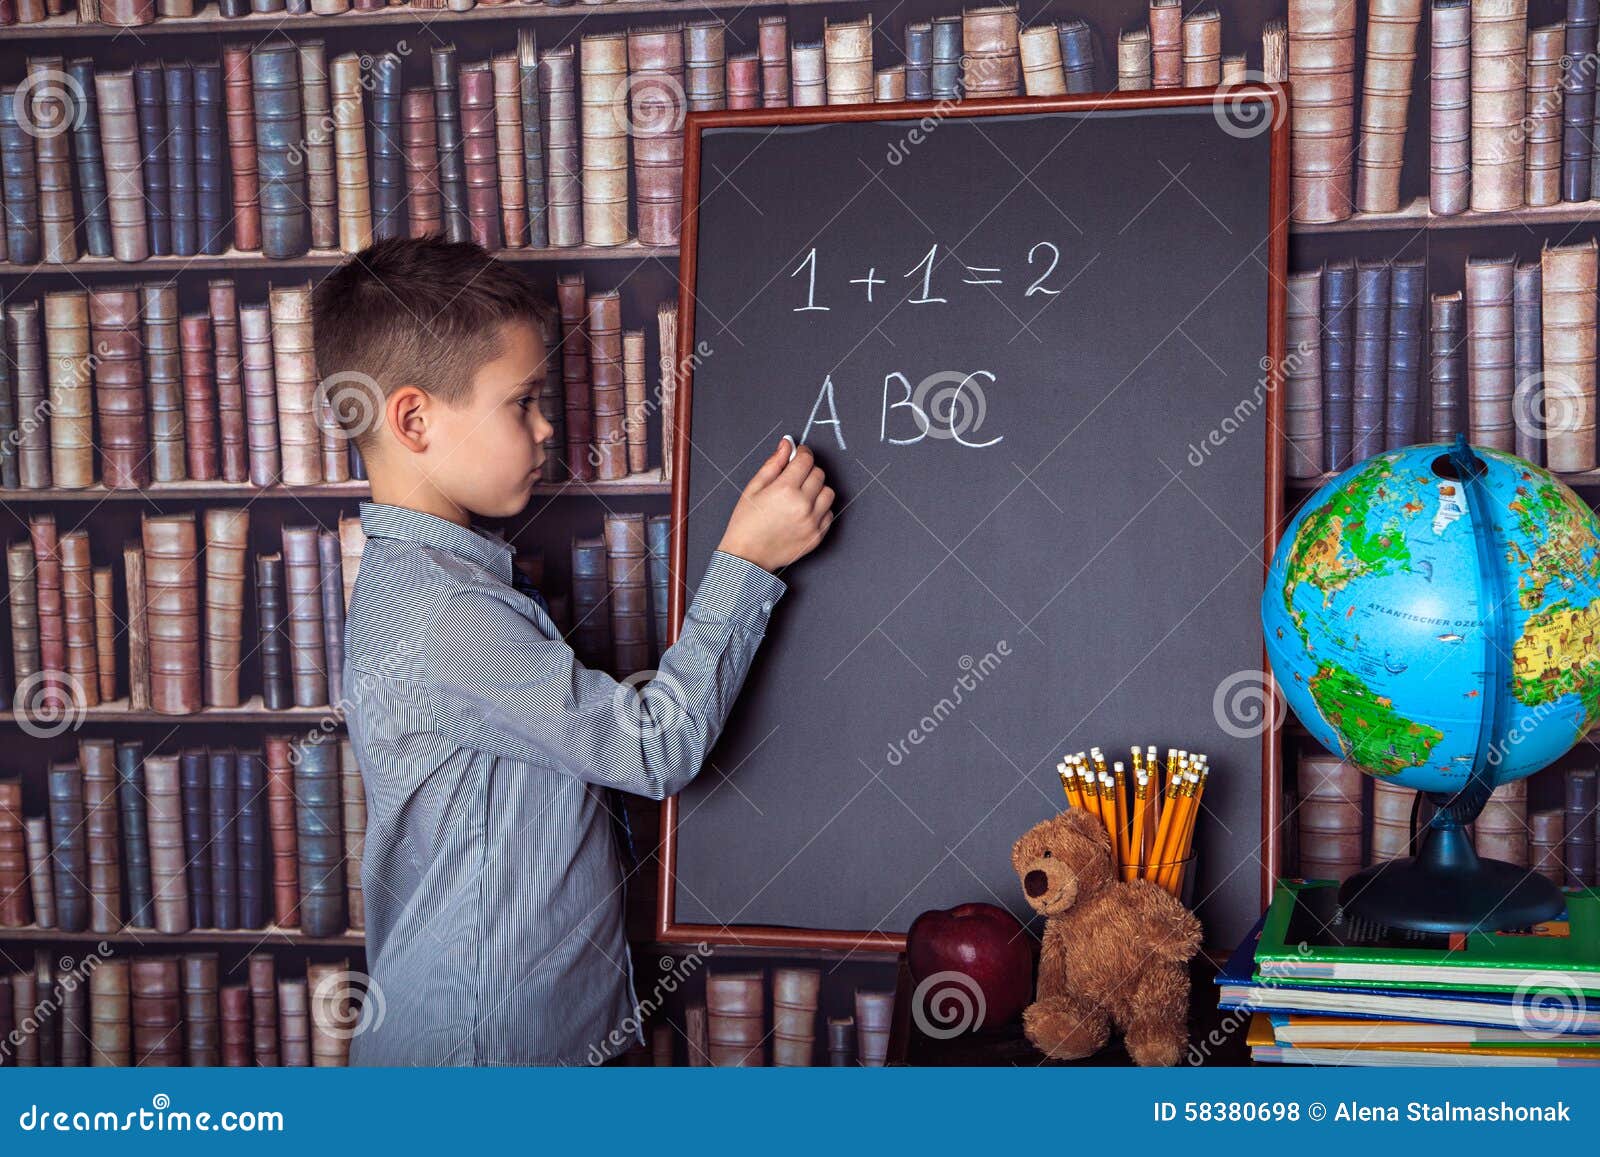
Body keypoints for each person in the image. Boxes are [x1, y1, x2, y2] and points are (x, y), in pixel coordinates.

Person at [311, 235, 834, 1064]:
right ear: (413, 419)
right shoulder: (449, 615)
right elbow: (654, 747)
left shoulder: (430, 583)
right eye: (521, 402)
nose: (546, 426)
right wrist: (748, 560)